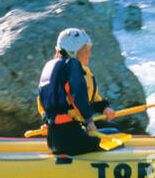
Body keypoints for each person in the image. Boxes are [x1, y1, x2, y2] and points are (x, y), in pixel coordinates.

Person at [36, 28, 118, 156]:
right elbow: (78, 96)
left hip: (53, 138)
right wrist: (90, 122)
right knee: (115, 135)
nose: (89, 53)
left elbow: (43, 102)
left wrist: (104, 108)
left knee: (109, 128)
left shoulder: (51, 66)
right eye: (85, 49)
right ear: (73, 50)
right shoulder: (73, 65)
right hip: (71, 138)